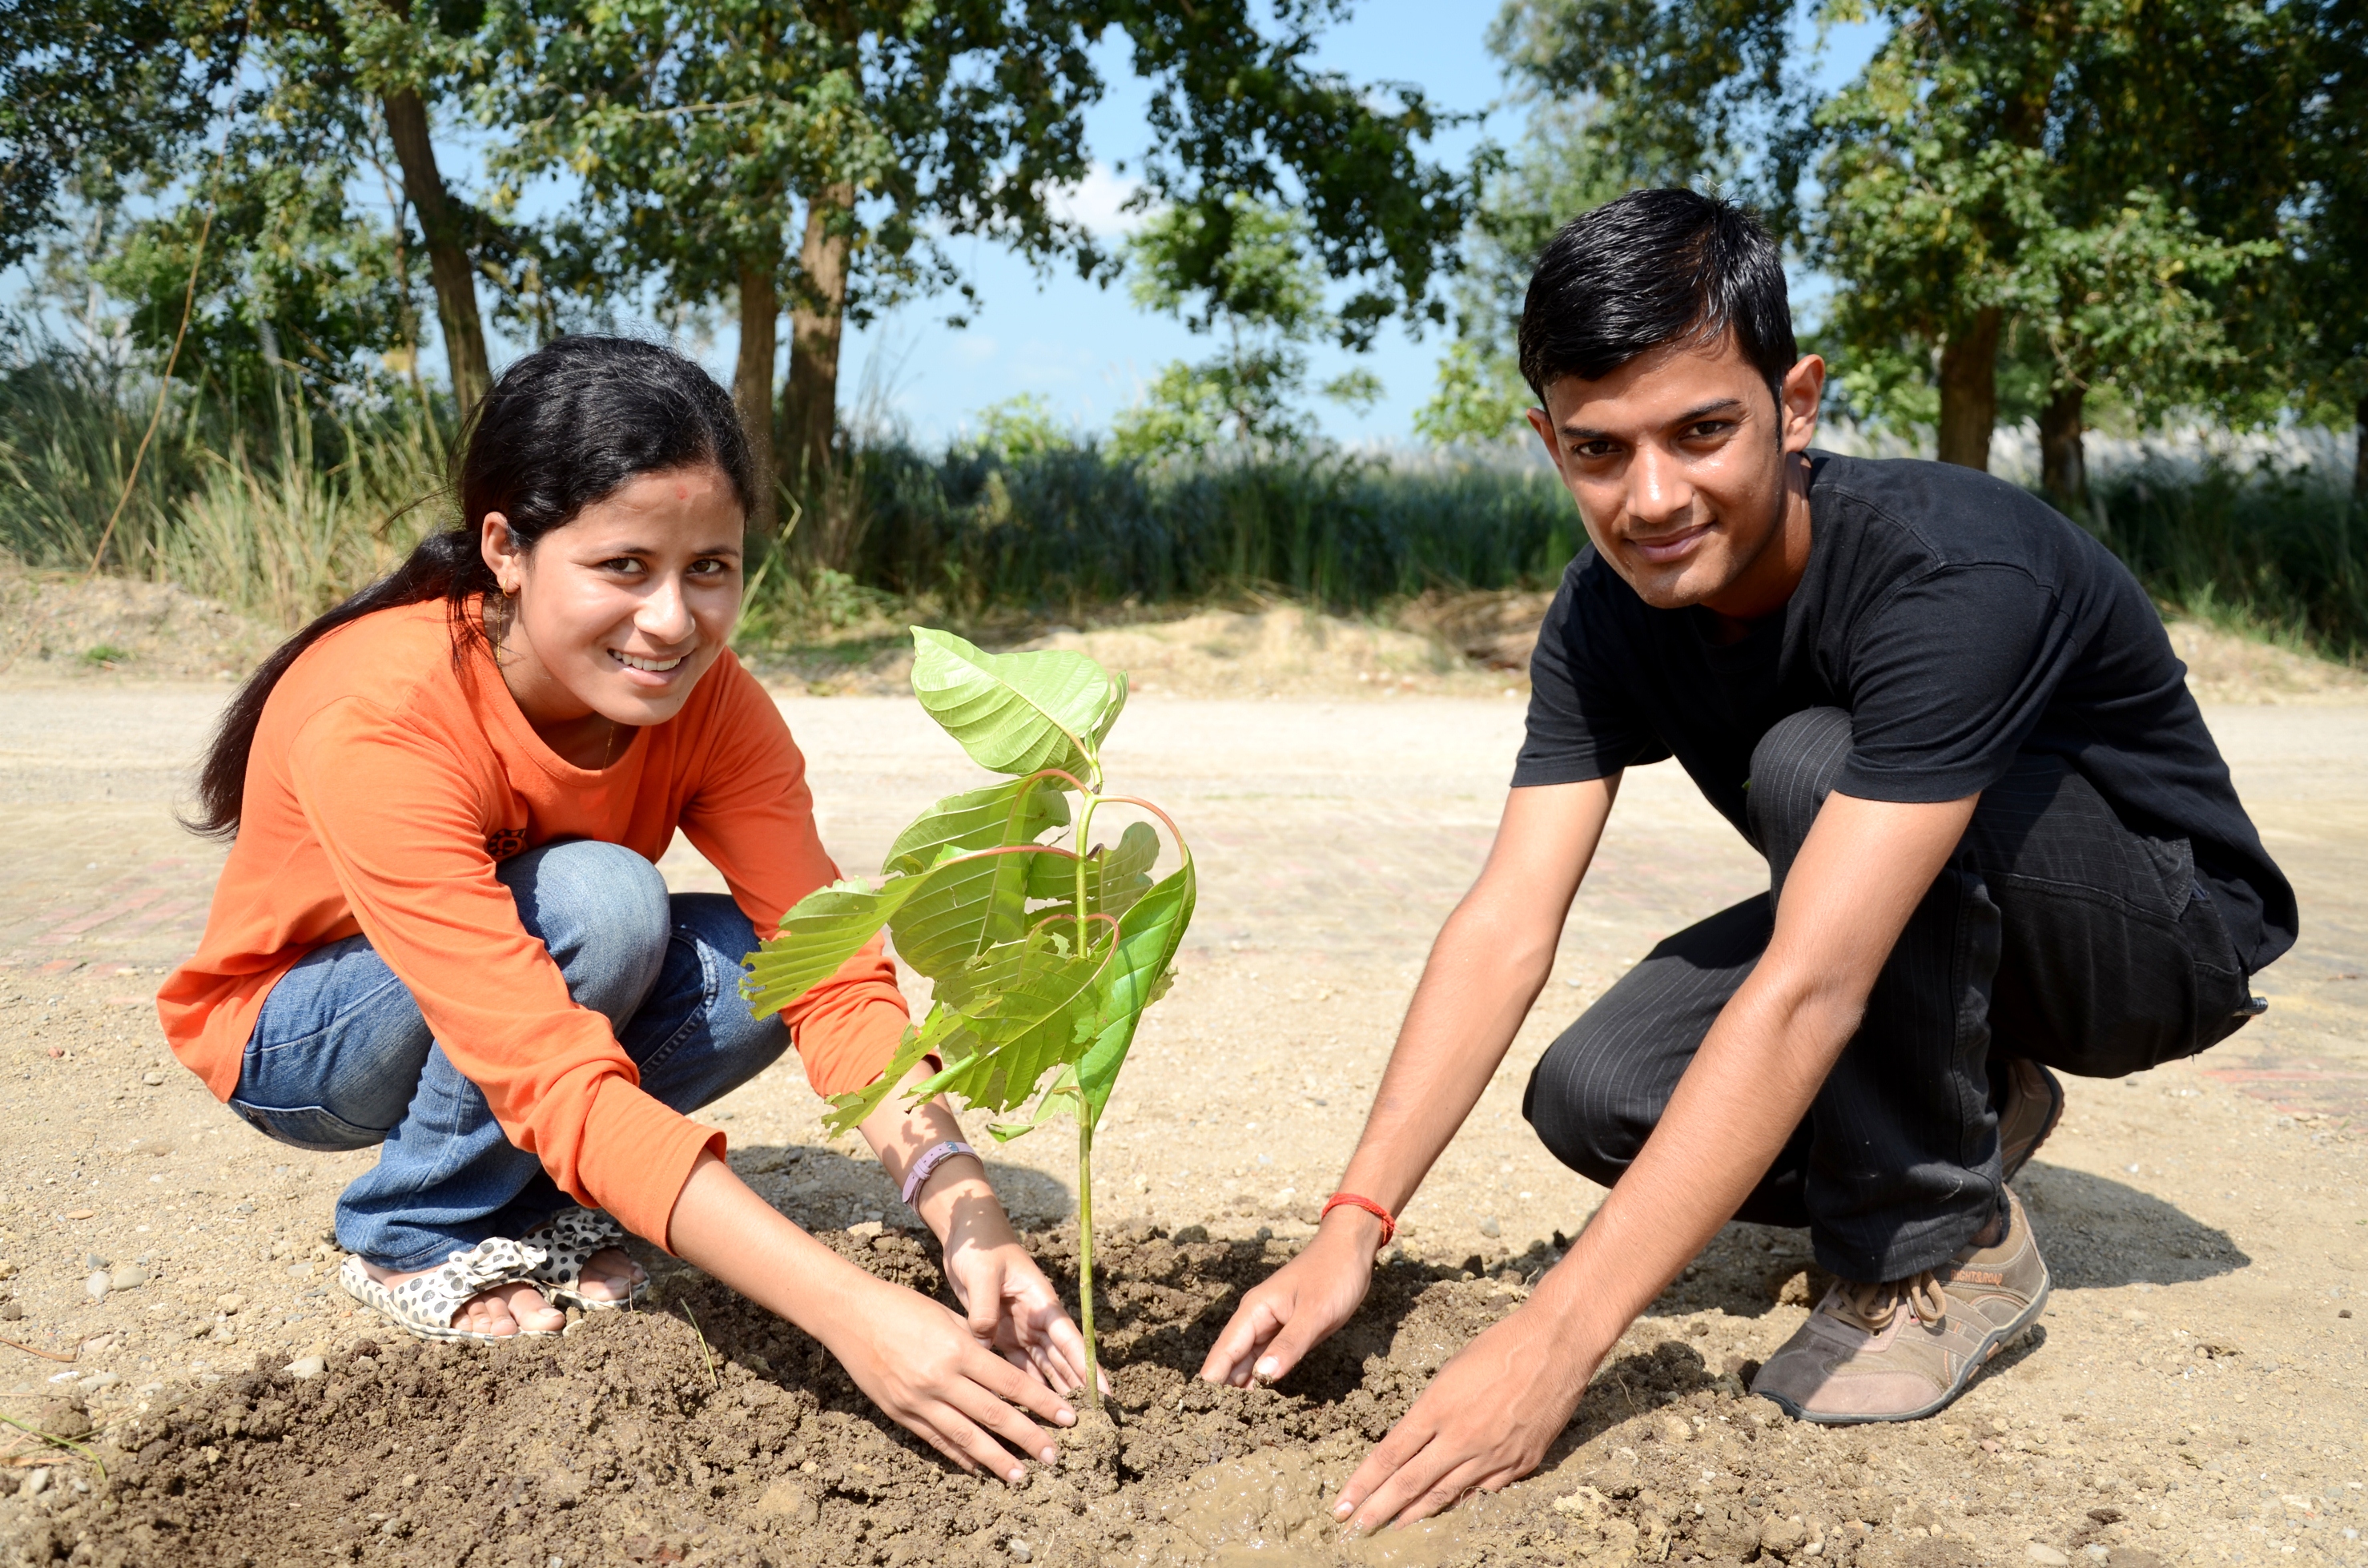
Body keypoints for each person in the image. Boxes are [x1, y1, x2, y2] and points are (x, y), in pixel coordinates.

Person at [1199, 191, 2294, 1529]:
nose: (1650, 497)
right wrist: (1350, 1225)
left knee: (1808, 762)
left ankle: (1944, 1247)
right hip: (1926, 913)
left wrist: (1555, 1339)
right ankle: (1975, 1104)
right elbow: (1504, 918)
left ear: (1797, 403)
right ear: (1547, 441)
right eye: (1599, 450)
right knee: (1595, 1093)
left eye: (1702, 431)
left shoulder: (1946, 569)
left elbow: (1814, 981)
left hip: (2155, 937)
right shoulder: (1602, 614)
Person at [158, 336, 1091, 1486]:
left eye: (711, 568)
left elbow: (838, 974)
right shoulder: (383, 708)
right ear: (505, 547)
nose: (670, 620)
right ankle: (417, 1228)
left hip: (518, 1000)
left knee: (770, 955)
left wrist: (965, 1210)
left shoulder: (714, 704)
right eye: (623, 565)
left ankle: (542, 1198)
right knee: (604, 897)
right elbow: (543, 1059)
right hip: (303, 1037)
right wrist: (849, 1313)